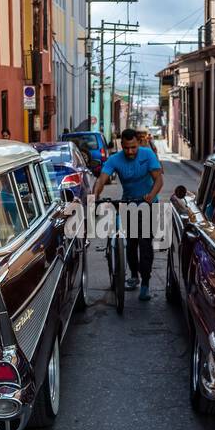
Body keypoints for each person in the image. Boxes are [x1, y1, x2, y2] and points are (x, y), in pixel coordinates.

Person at [91, 127, 163, 302]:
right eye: (126, 148)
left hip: (148, 203)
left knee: (145, 243)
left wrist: (151, 196)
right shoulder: (115, 159)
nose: (130, 151)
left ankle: (145, 283)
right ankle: (133, 275)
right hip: (128, 202)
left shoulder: (147, 155)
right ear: (121, 145)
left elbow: (159, 179)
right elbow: (102, 179)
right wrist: (94, 197)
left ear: (138, 144)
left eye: (133, 148)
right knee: (131, 244)